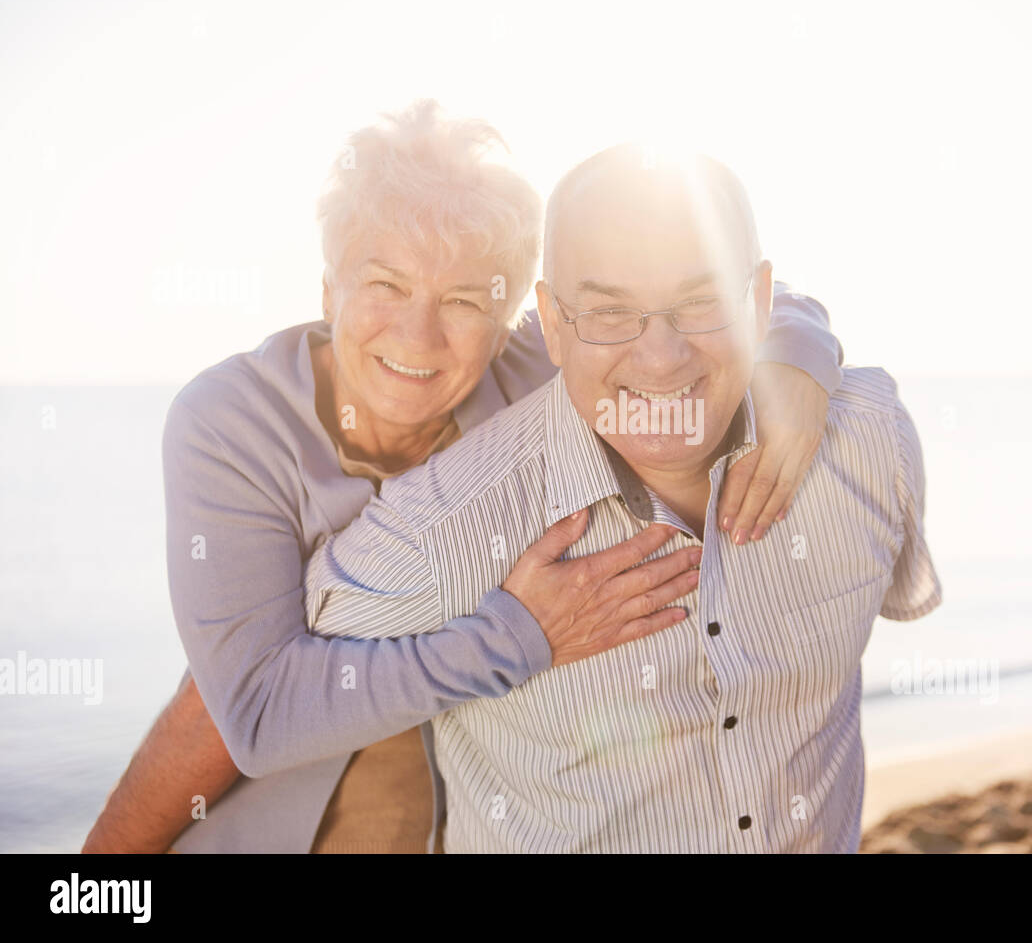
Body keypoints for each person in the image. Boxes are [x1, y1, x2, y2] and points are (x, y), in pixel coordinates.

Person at [82, 103, 846, 853]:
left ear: (521, 313)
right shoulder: (231, 422)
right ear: (328, 291)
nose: (418, 335)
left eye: (460, 299)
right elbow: (254, 715)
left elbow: (717, 307)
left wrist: (796, 365)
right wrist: (521, 635)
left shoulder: (535, 374)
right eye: (385, 284)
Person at [304, 143, 941, 852]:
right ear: (550, 320)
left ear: (760, 301)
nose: (662, 357)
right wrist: (509, 636)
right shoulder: (442, 529)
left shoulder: (869, 442)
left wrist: (805, 344)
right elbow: (287, 700)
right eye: (609, 313)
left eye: (700, 303)